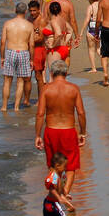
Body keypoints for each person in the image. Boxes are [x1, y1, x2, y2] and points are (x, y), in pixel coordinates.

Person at [35, 59, 87, 195]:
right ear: (66, 72)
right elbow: (81, 113)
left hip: (51, 131)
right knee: (70, 167)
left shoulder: (46, 89)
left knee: (53, 165)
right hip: (68, 131)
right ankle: (66, 193)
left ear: (51, 73)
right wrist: (82, 133)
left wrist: (37, 135)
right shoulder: (73, 89)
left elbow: (40, 114)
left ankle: (57, 194)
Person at [0, 2, 36, 111]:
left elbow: (2, 42)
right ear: (26, 12)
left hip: (10, 51)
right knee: (20, 81)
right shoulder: (29, 25)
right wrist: (31, 59)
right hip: (23, 52)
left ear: (15, 11)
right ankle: (16, 107)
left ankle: (4, 106)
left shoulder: (8, 23)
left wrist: (2, 57)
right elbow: (32, 44)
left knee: (7, 80)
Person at [37, 152, 76, 216]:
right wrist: (59, 198)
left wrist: (65, 195)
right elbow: (52, 189)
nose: (65, 169)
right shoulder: (53, 176)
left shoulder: (58, 175)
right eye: (64, 166)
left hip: (48, 202)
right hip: (52, 203)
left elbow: (60, 188)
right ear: (57, 166)